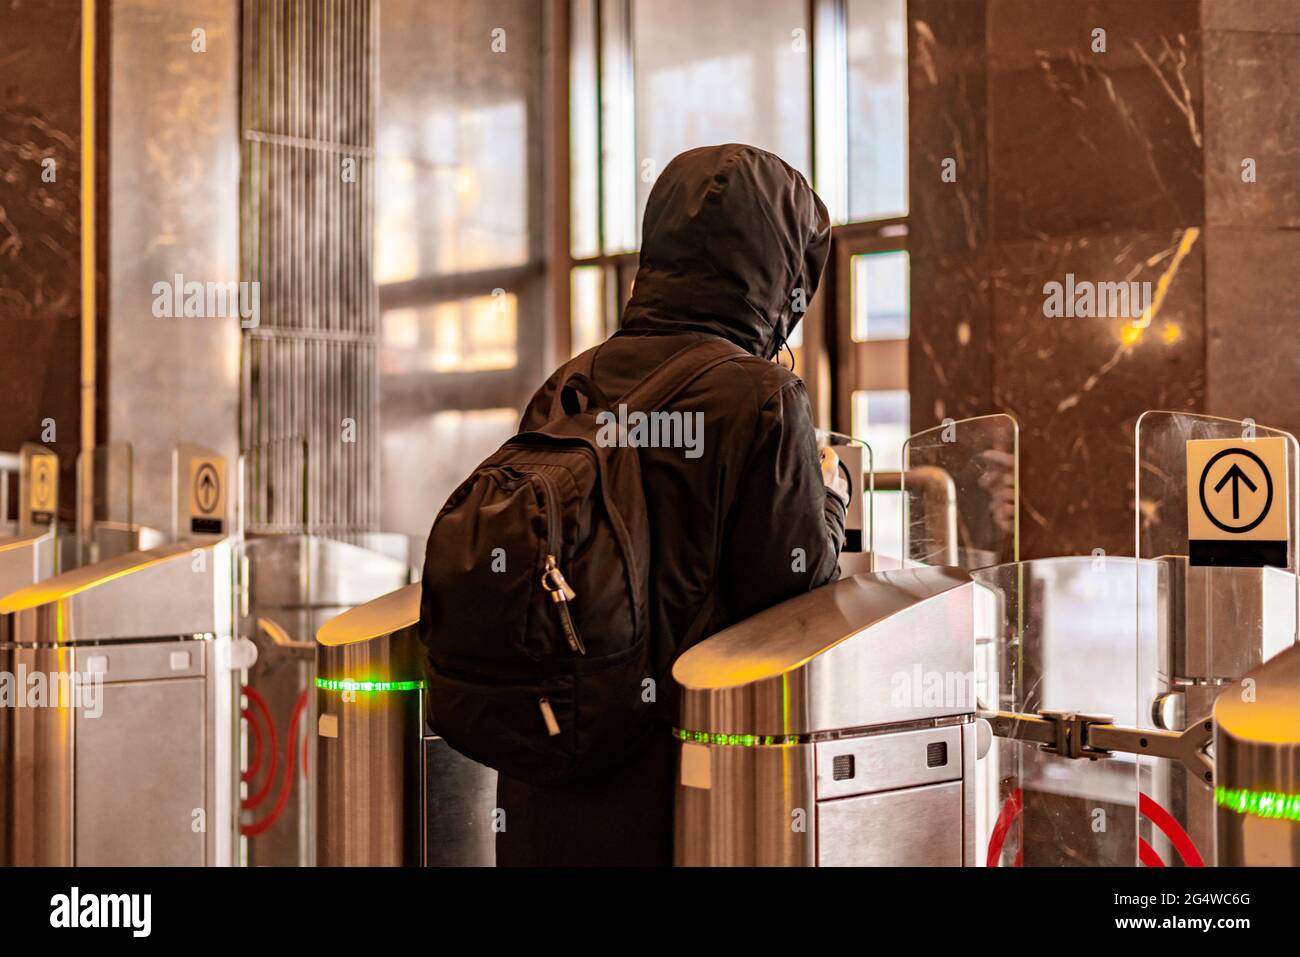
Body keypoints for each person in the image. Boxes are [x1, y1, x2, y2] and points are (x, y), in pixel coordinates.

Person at [495, 143, 848, 866]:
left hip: (547, 769)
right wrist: (833, 497)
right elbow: (794, 598)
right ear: (776, 270)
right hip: (678, 783)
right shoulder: (760, 397)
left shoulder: (573, 380)